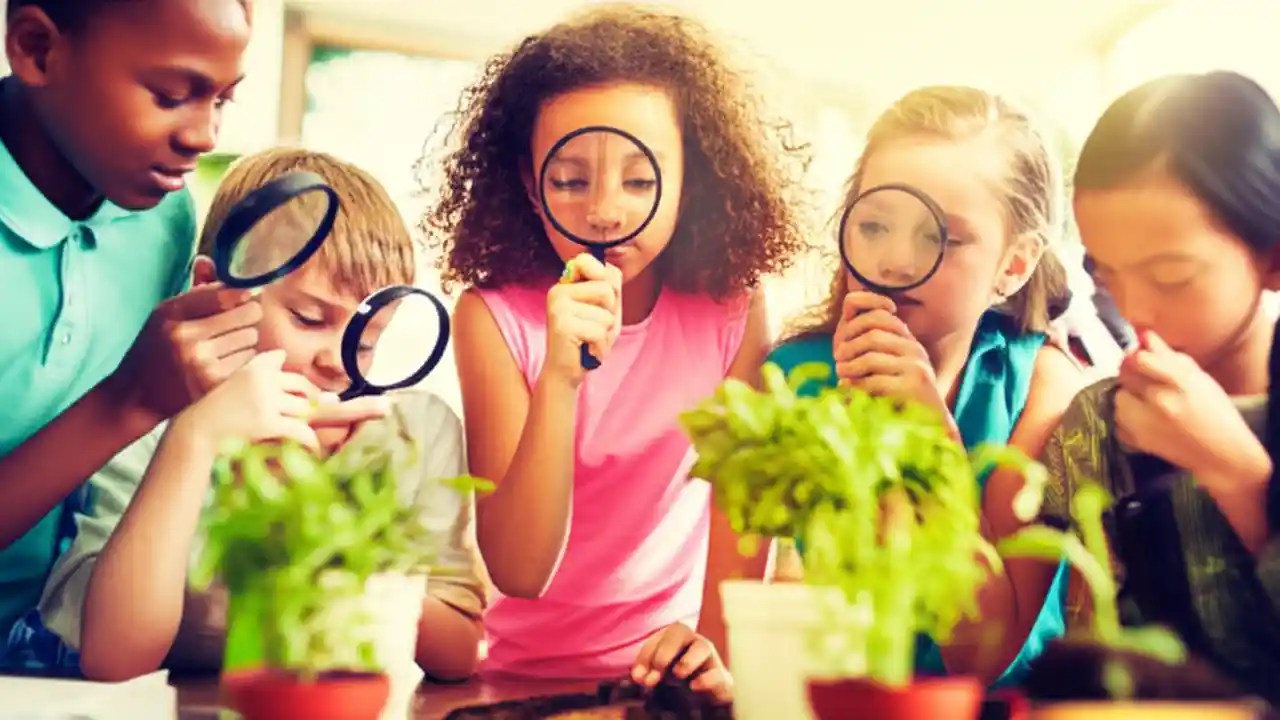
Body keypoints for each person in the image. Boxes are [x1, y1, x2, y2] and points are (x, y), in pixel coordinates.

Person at [425, 3, 809, 701]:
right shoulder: (492, 317)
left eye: (639, 180)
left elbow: (739, 525)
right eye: (571, 180)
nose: (605, 211)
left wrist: (714, 657)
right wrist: (561, 381)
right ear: (528, 185)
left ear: (692, 175)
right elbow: (517, 569)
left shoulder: (735, 309)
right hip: (520, 689)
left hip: (667, 686)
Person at [25, 148, 488, 683]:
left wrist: (346, 569)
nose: (337, 363)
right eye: (308, 318)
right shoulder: (149, 416)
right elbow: (115, 655)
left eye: (368, 340)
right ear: (211, 291)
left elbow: (458, 650)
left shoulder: (413, 430)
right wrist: (194, 438)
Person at [767, 85, 1086, 686]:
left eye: (943, 236)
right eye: (875, 225)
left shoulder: (1043, 388)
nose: (894, 262)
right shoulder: (789, 381)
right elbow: (751, 623)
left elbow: (981, 655)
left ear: (1014, 265)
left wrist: (927, 435)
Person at [0, 0, 256, 656]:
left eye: (222, 100)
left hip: (59, 655)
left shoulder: (163, 221)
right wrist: (131, 399)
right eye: (172, 95)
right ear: (36, 48)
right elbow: (131, 405)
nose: (204, 135)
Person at [1039, 70, 1280, 704]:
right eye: (1107, 273)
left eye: (1170, 274)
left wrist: (1237, 473)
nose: (1135, 308)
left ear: (1273, 256)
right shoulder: (1095, 423)